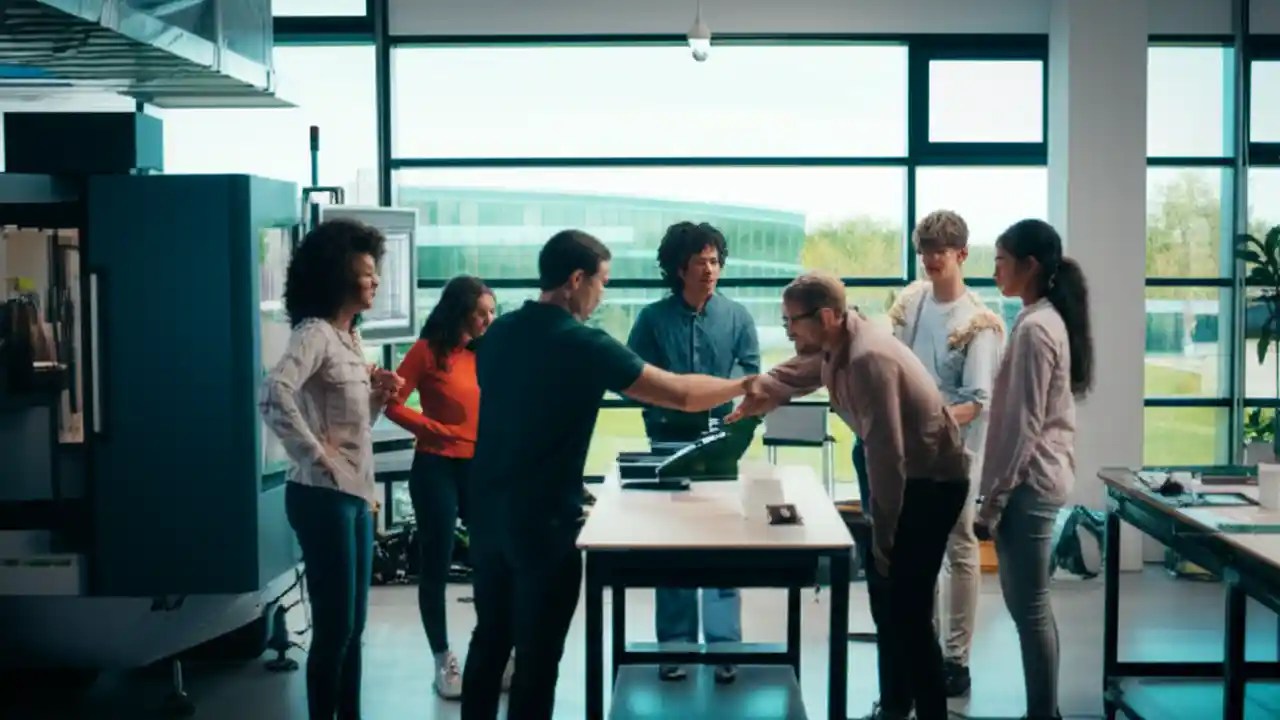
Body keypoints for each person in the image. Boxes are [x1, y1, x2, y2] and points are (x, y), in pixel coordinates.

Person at [460, 229, 754, 720]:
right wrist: (748, 383)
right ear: (576, 280)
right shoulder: (584, 344)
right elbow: (678, 393)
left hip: (487, 514)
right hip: (545, 523)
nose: (603, 295)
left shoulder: (497, 335)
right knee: (537, 657)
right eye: (602, 282)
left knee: (489, 639)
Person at [728, 272, 969, 720]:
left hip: (928, 484)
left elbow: (889, 457)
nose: (788, 332)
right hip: (902, 473)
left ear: (824, 316)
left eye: (791, 323)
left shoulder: (866, 359)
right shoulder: (838, 340)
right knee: (886, 599)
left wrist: (883, 537)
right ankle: (896, 705)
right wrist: (767, 388)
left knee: (908, 608)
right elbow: (808, 369)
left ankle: (929, 710)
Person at [260, 218, 404, 720]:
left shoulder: (348, 338)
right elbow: (273, 394)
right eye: (367, 273)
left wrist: (379, 398)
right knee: (334, 631)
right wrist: (316, 458)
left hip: (355, 497)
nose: (376, 282)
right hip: (322, 496)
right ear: (339, 277)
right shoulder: (315, 333)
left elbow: (351, 425)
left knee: (354, 629)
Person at [625, 221, 759, 685]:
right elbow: (632, 381)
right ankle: (676, 648)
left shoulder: (738, 317)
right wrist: (669, 399)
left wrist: (738, 422)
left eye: (715, 260)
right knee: (675, 546)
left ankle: (725, 649)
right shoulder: (651, 320)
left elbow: (752, 376)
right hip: (667, 441)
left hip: (722, 444)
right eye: (700, 261)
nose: (710, 269)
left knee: (724, 545)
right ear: (679, 268)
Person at [977, 219, 1092, 720]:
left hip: (1029, 484)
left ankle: (1043, 715)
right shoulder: (1042, 319)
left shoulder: (1034, 329)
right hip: (1041, 477)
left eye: (1001, 259)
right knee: (1034, 608)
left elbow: (1020, 427)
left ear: (1029, 266)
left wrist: (992, 499)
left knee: (1029, 609)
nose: (995, 269)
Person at [886, 210, 1004, 696]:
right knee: (916, 552)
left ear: (960, 254)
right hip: (910, 451)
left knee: (958, 547)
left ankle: (957, 658)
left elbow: (978, 400)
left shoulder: (980, 322)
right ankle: (926, 649)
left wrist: (928, 420)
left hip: (956, 455)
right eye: (924, 251)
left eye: (940, 251)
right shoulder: (911, 304)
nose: (931, 259)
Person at [383, 275, 503, 700]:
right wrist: (430, 427)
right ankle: (442, 659)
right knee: (434, 566)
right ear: (459, 312)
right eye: (482, 313)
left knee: (492, 560)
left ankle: (495, 653)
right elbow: (390, 402)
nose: (490, 319)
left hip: (481, 468)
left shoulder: (486, 352)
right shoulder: (425, 351)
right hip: (435, 467)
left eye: (493, 312)